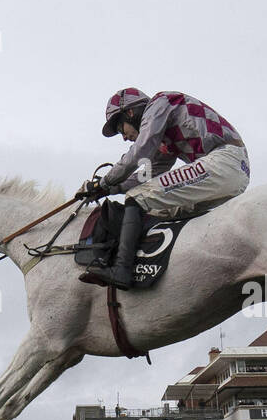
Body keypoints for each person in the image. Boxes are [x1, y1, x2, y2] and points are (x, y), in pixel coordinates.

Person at [80, 88, 251, 289]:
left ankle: (121, 270)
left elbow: (139, 151)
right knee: (159, 211)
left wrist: (103, 182)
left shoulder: (160, 104)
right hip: (231, 173)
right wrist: (109, 189)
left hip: (224, 160)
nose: (124, 137)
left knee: (137, 198)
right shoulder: (163, 137)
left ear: (130, 113)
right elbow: (149, 173)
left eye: (120, 129)